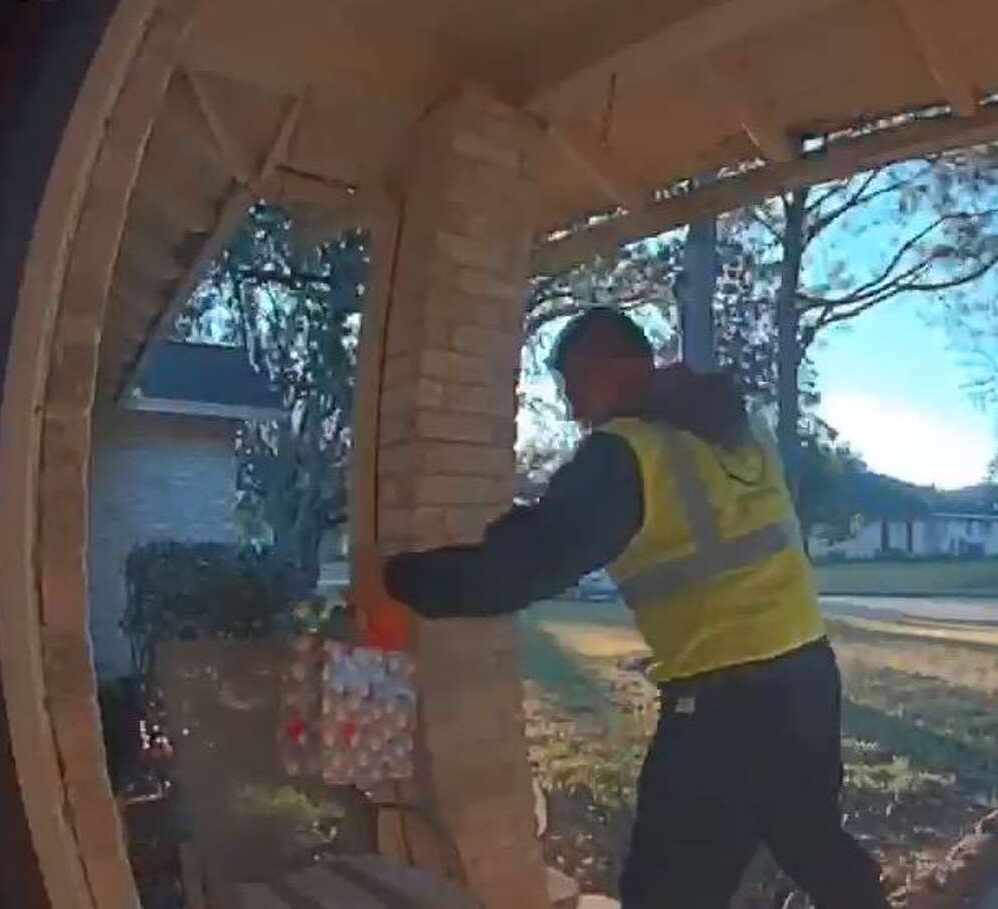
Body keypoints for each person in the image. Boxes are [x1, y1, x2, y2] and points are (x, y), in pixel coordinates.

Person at [351, 307, 890, 909]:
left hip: (724, 707)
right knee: (809, 836)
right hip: (808, 677)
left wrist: (394, 579)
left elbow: (518, 568)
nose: (571, 404)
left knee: (666, 889)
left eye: (575, 382)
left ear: (622, 366)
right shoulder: (739, 428)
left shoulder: (625, 452)